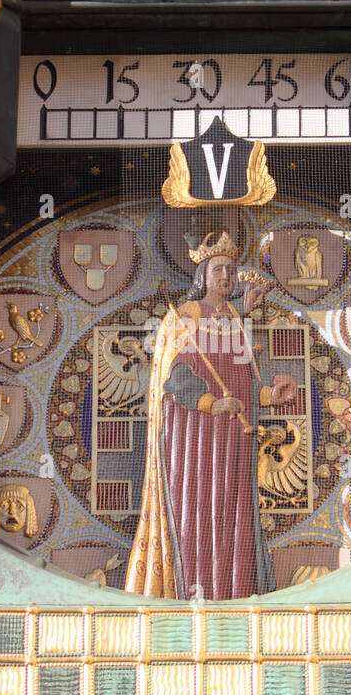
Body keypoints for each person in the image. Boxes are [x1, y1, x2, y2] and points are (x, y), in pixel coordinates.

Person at [125, 231, 295, 602]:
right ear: (203, 275)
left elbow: (244, 381)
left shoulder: (233, 318)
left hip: (234, 437)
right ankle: (193, 592)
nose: (227, 276)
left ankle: (235, 592)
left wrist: (269, 395)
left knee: (234, 514)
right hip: (195, 438)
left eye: (232, 270)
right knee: (200, 510)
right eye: (219, 269)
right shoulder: (186, 315)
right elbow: (175, 377)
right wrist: (210, 404)